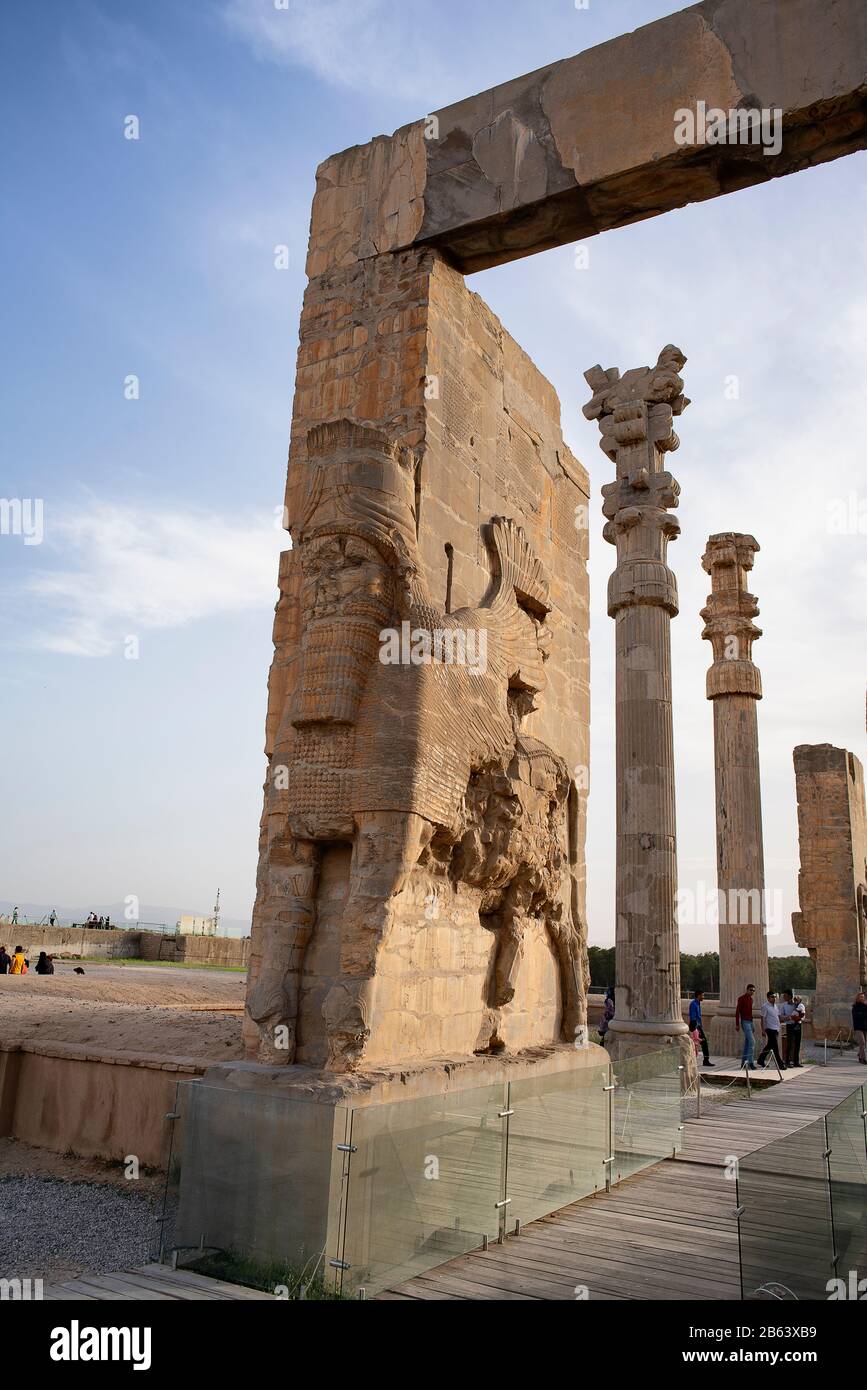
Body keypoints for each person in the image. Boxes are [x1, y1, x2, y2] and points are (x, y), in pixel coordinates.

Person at [758, 991, 786, 1070]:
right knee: (775, 1047)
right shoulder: (765, 1006)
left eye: (774, 997)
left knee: (769, 1045)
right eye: (772, 997)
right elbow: (762, 1018)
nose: (773, 998)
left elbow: (778, 1017)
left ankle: (761, 1059)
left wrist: (787, 1017)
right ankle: (780, 1063)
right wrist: (763, 1030)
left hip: (776, 1028)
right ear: (768, 998)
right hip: (769, 1028)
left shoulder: (776, 1006)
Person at [780, 989, 805, 1068]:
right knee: (790, 1044)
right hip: (790, 1025)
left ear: (790, 996)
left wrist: (800, 1018)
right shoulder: (784, 1005)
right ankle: (787, 1061)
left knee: (797, 1043)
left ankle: (796, 1061)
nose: (784, 997)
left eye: (785, 996)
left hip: (798, 1025)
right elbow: (781, 1017)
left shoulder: (796, 1004)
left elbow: (802, 1012)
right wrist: (789, 1017)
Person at [688, 989, 713, 1067]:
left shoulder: (697, 1003)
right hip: (695, 1026)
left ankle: (705, 1060)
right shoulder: (693, 1004)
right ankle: (704, 1060)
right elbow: (693, 1018)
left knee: (702, 1043)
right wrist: (696, 1028)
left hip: (698, 1025)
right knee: (701, 1043)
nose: (703, 997)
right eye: (702, 995)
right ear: (698, 996)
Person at [736, 983, 758, 1068]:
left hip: (750, 1021)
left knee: (748, 1043)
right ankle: (751, 1063)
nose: (752, 992)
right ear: (747, 990)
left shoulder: (751, 1000)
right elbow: (737, 1012)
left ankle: (744, 1062)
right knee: (752, 1042)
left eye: (753, 991)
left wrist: (753, 1024)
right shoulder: (741, 999)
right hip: (744, 1022)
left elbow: (750, 1012)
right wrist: (737, 1024)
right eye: (751, 990)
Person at [853, 992, 867, 1065]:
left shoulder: (865, 1006)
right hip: (858, 1027)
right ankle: (863, 1059)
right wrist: (863, 1014)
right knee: (862, 1043)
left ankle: (859, 1054)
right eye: (861, 997)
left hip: (865, 1027)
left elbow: (862, 1015)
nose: (862, 998)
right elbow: (856, 1016)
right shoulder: (855, 1006)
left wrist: (862, 1013)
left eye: (863, 997)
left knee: (864, 1044)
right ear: (858, 998)